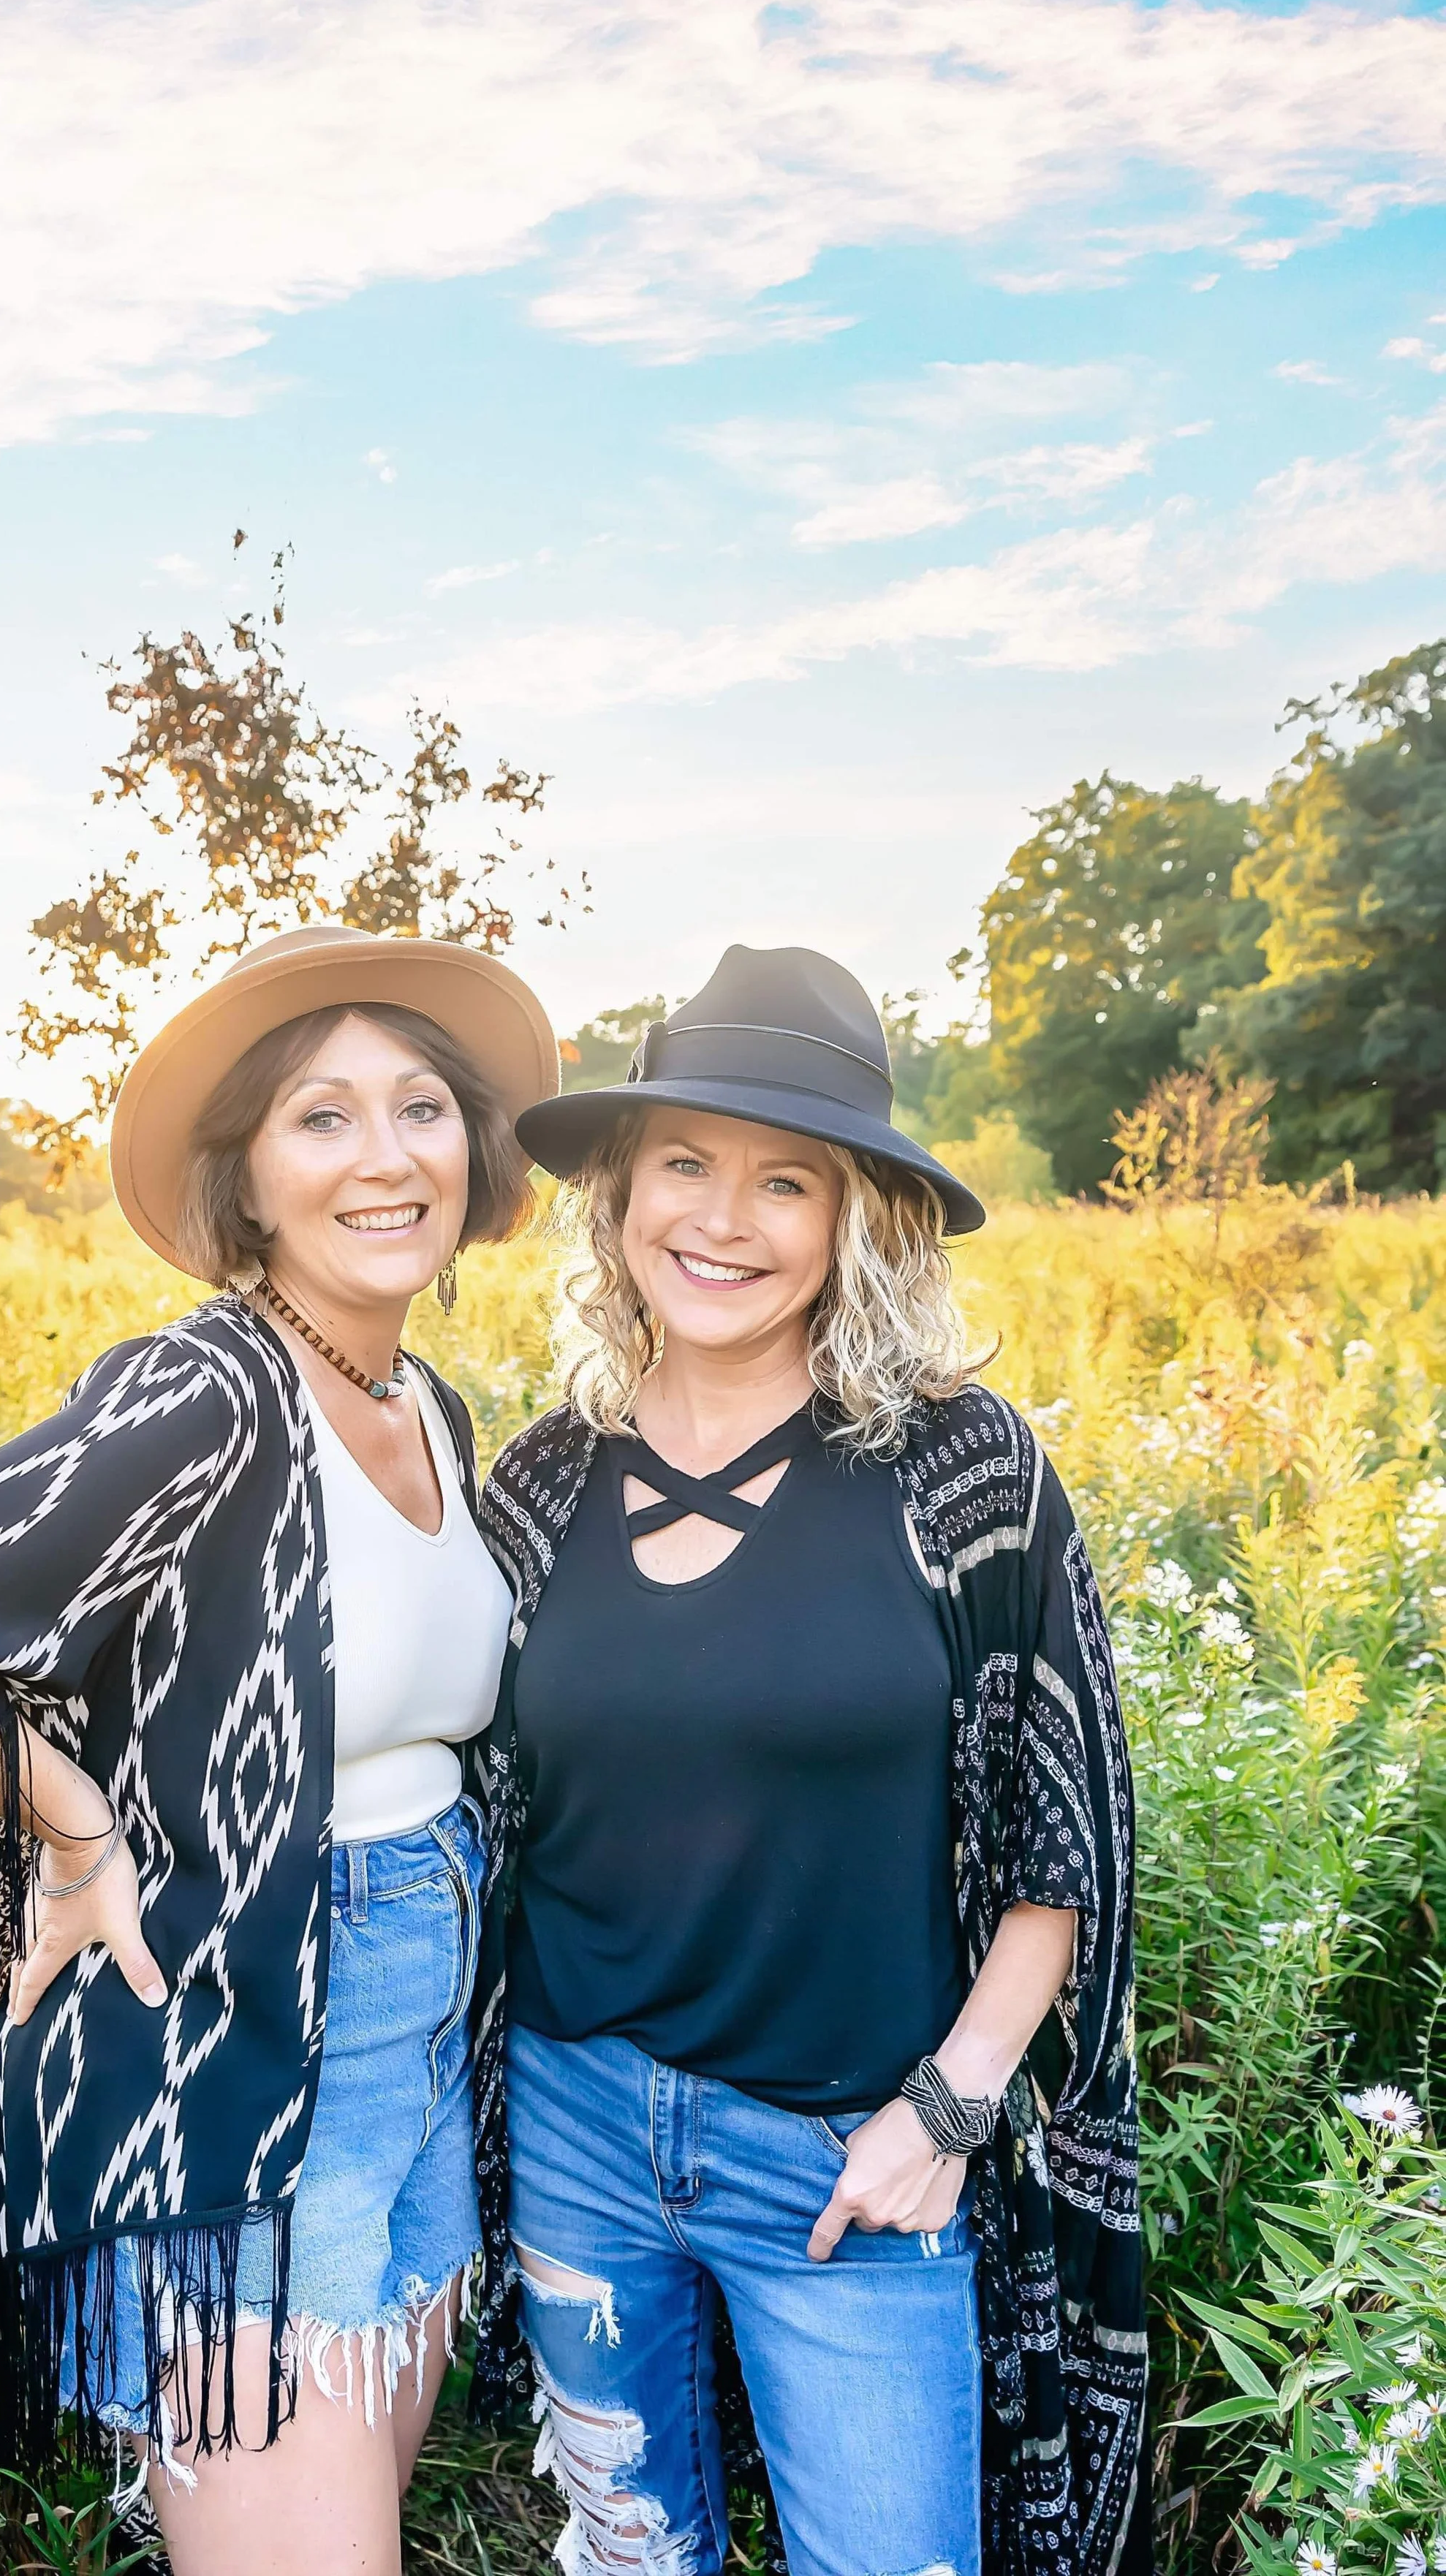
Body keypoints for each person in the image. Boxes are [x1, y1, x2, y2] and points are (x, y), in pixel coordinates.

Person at [0, 923, 558, 2576]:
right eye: (321, 1118)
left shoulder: (428, 1403)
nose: (385, 1156)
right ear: (249, 1179)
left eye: (419, 1109)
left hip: (423, 2017)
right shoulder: (205, 1395)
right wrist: (72, 1827)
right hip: (249, 2047)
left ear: (469, 1156)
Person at [468, 944, 1146, 2576]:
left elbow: (1066, 1833)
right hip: (577, 2128)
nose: (721, 1218)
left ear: (858, 1223)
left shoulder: (960, 1472)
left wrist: (952, 2100)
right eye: (683, 1165)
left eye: (785, 1181)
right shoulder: (539, 1484)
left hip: (855, 2154)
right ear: (617, 1199)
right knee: (635, 2553)